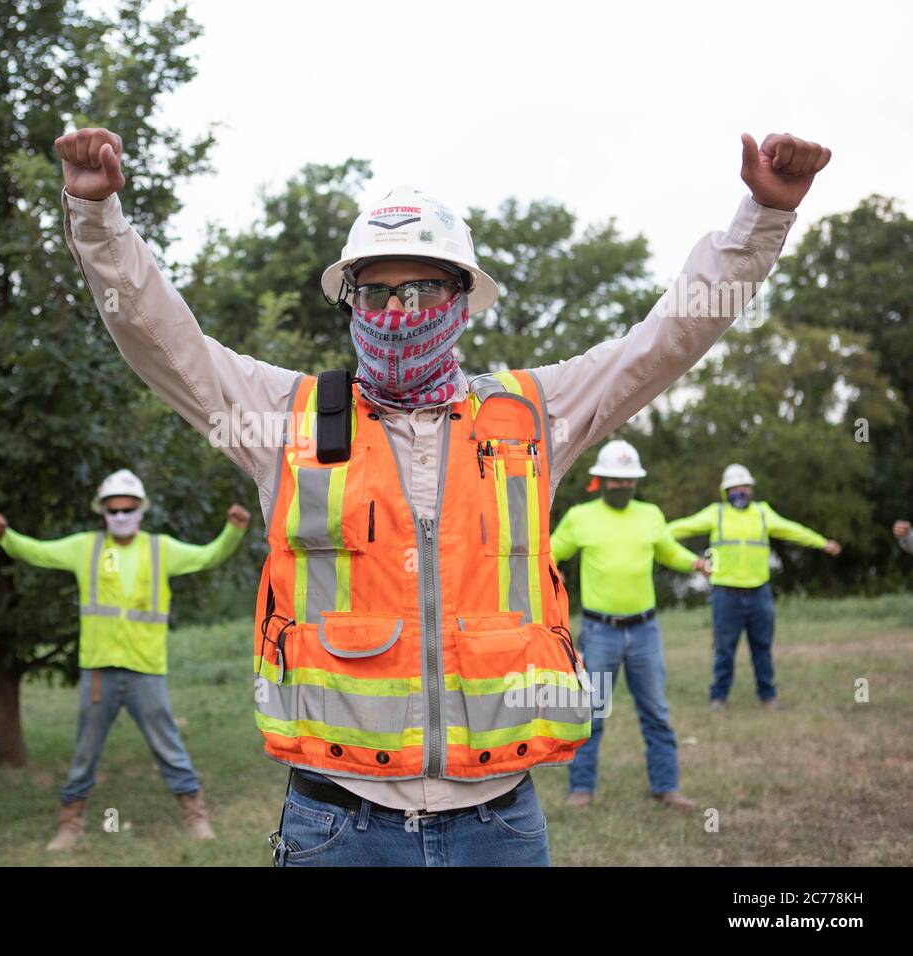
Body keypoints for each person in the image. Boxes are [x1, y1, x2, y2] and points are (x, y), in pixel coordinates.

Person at [53, 125, 829, 866]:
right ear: (351, 300)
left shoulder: (531, 418)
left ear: (462, 299)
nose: (397, 314)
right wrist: (96, 214)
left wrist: (763, 218)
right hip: (338, 822)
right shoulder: (283, 420)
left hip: (499, 823)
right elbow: (162, 339)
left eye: (422, 290)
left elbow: (664, 340)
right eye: (376, 291)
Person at [0, 468, 250, 850]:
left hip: (146, 670)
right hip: (99, 671)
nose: (121, 515)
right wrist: (4, 537)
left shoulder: (161, 550)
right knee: (85, 751)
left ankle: (196, 817)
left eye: (128, 508)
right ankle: (69, 826)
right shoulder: (85, 548)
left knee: (168, 746)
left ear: (141, 510)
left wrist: (233, 531)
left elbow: (208, 557)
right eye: (114, 509)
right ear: (103, 512)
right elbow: (38, 551)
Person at [550, 440, 711, 811]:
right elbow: (551, 552)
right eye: (615, 480)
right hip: (599, 632)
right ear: (600, 481)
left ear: (636, 482)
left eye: (628, 481)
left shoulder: (650, 514)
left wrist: (695, 564)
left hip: (645, 632)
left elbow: (669, 551)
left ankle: (666, 788)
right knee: (592, 712)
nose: (622, 486)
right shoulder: (580, 517)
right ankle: (581, 790)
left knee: (656, 711)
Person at [668, 463, 840, 710]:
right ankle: (718, 697)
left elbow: (793, 531)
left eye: (745, 486)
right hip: (725, 595)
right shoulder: (715, 513)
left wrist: (822, 543)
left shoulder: (762, 513)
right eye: (735, 487)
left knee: (762, 648)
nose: (741, 491)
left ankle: (768, 696)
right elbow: (680, 527)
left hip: (760, 593)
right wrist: (649, 534)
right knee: (724, 650)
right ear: (725, 491)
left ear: (751, 489)